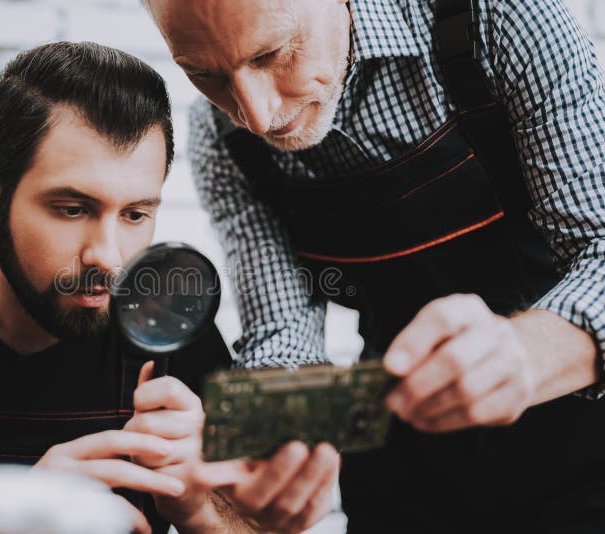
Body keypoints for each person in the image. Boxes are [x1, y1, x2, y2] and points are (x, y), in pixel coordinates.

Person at [0, 41, 336, 534]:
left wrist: (197, 505)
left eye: (134, 214)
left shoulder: (170, 324)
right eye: (72, 209)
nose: (107, 257)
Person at [142, 0, 605, 531]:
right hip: (403, 457)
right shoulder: (222, 138)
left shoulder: (500, 20)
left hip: (581, 444)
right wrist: (276, 440)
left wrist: (526, 352)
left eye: (271, 53)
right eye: (206, 76)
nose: (256, 114)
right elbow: (283, 330)